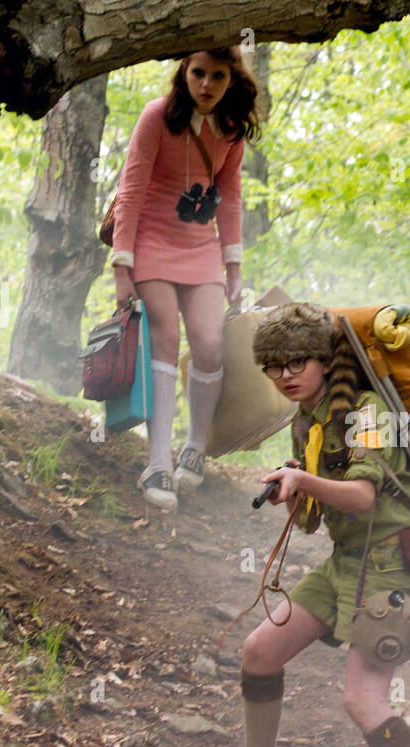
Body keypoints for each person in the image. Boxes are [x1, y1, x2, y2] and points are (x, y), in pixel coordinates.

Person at [193, 302, 410, 747]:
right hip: (348, 560)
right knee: (261, 652)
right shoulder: (306, 420)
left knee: (362, 698)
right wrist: (293, 496)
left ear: (324, 360)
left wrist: (303, 477)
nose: (285, 374)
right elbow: (320, 516)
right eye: (273, 366)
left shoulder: (367, 411)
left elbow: (364, 496)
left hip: (391, 563)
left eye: (298, 361)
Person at [110, 47, 260, 512]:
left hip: (201, 246)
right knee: (165, 337)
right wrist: (122, 265)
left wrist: (233, 265)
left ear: (231, 79)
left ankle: (194, 448)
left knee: (210, 343)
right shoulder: (158, 116)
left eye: (218, 76)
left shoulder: (231, 128)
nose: (207, 85)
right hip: (151, 238)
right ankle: (157, 462)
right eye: (198, 73)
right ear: (184, 72)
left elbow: (231, 195)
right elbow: (131, 189)